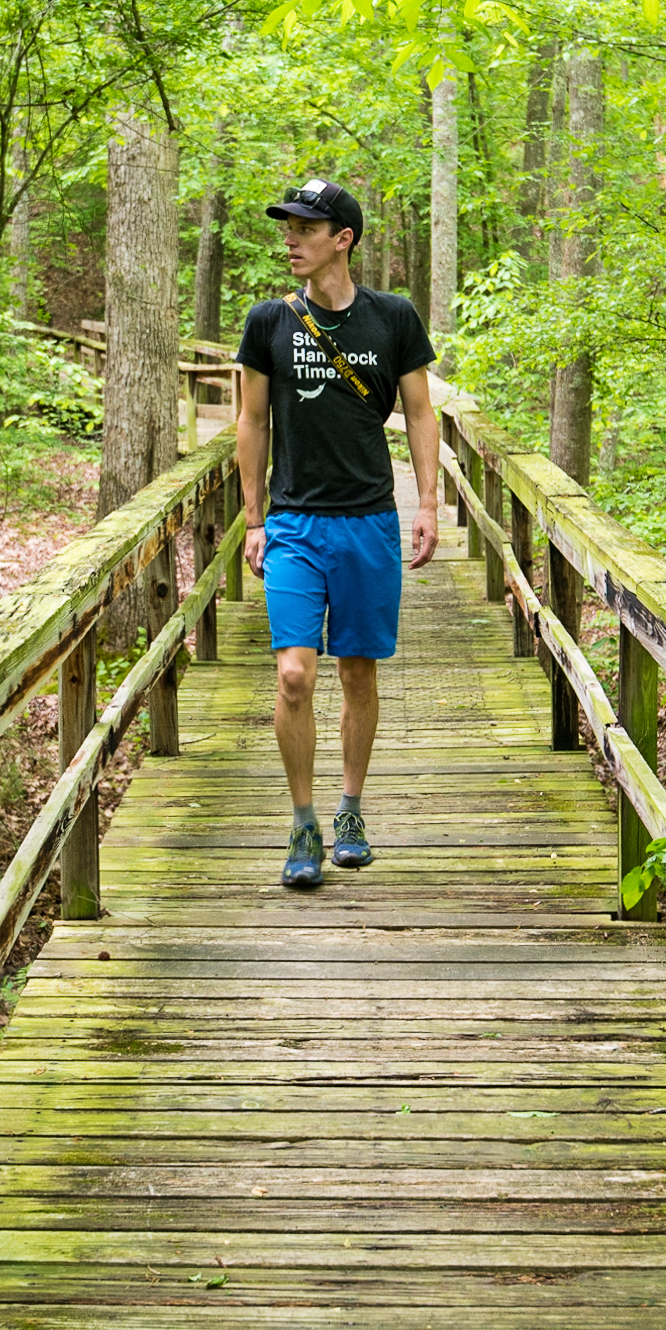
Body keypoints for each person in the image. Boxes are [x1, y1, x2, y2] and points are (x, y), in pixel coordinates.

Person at [235, 178, 441, 888]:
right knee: (294, 673)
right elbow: (250, 421)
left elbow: (419, 413)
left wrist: (428, 504)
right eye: (287, 227)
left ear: (342, 239)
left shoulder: (392, 318)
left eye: (304, 228)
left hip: (368, 522)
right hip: (293, 522)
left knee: (358, 672)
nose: (289, 239)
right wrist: (253, 518)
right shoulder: (268, 322)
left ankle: (349, 809)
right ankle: (302, 821)